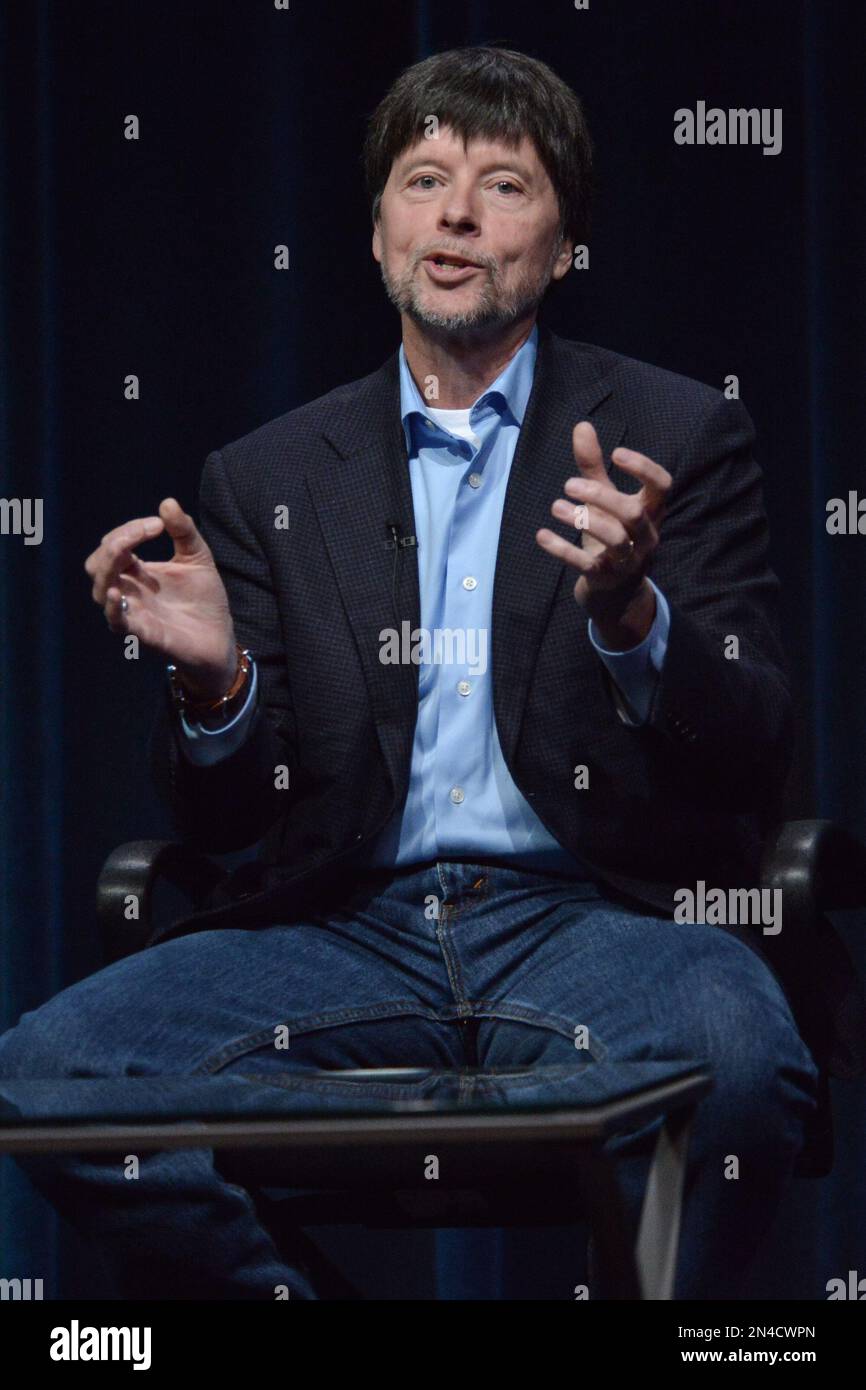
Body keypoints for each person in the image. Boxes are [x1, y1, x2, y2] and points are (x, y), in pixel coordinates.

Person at [0, 45, 823, 1300]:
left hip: (592, 922)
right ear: (379, 234)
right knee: (47, 1068)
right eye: (423, 178)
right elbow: (220, 817)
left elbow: (756, 732)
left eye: (502, 185)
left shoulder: (671, 435)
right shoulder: (266, 476)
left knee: (744, 1062)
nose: (453, 213)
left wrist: (632, 613)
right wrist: (220, 690)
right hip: (343, 930)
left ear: (560, 247)